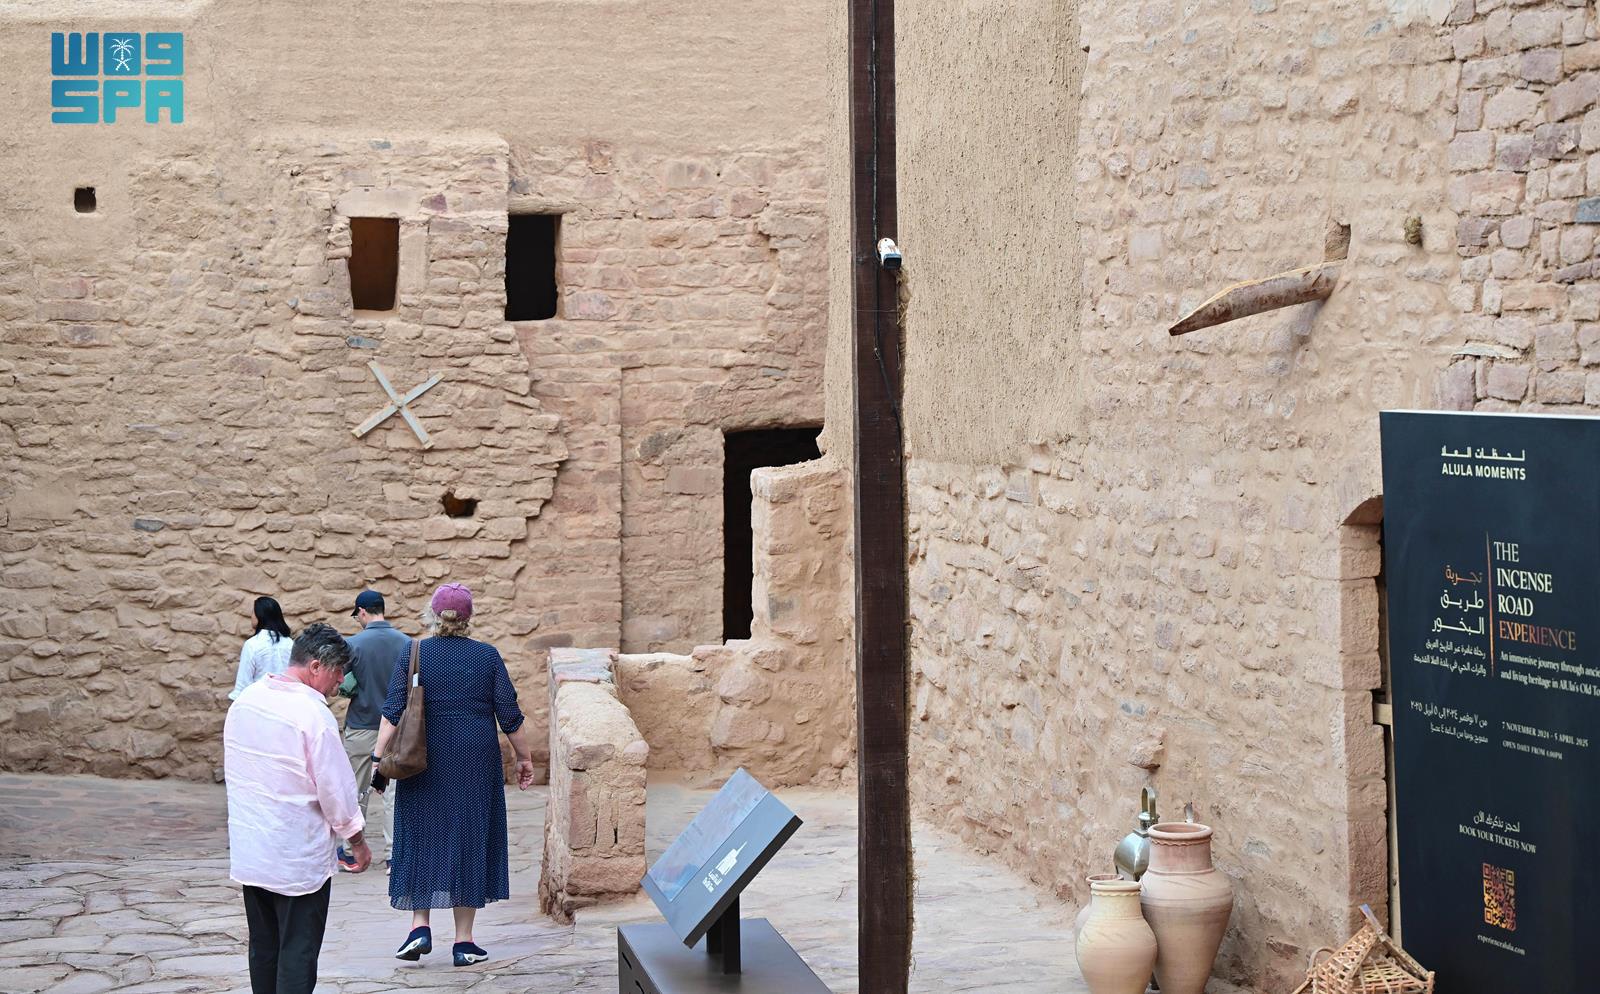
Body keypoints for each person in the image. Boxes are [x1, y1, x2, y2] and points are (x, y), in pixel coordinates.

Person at [372, 582, 536, 968]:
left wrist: (379, 760)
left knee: (421, 832)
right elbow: (509, 715)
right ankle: (464, 942)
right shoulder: (487, 656)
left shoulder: (414, 653)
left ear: (432, 615)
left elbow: (394, 710)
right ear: (468, 619)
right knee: (468, 836)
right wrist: (523, 758)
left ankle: (419, 927)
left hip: (423, 758)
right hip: (475, 758)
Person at [224, 622, 373, 994]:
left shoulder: (247, 701)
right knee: (297, 950)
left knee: (264, 946)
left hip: (253, 851)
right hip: (296, 857)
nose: (341, 682)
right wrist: (357, 841)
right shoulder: (312, 715)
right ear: (317, 667)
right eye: (339, 672)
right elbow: (336, 791)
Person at [335, 589, 407, 873]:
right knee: (395, 795)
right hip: (398, 728)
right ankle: (395, 856)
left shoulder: (353, 645)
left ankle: (353, 851)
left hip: (362, 724)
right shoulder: (407, 643)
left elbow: (342, 684)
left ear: (363, 612)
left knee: (357, 790)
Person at [230, 597, 294, 701]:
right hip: (285, 703)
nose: (251, 617)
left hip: (259, 703)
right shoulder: (290, 643)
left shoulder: (252, 644)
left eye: (253, 613)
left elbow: (243, 685)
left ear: (260, 615)